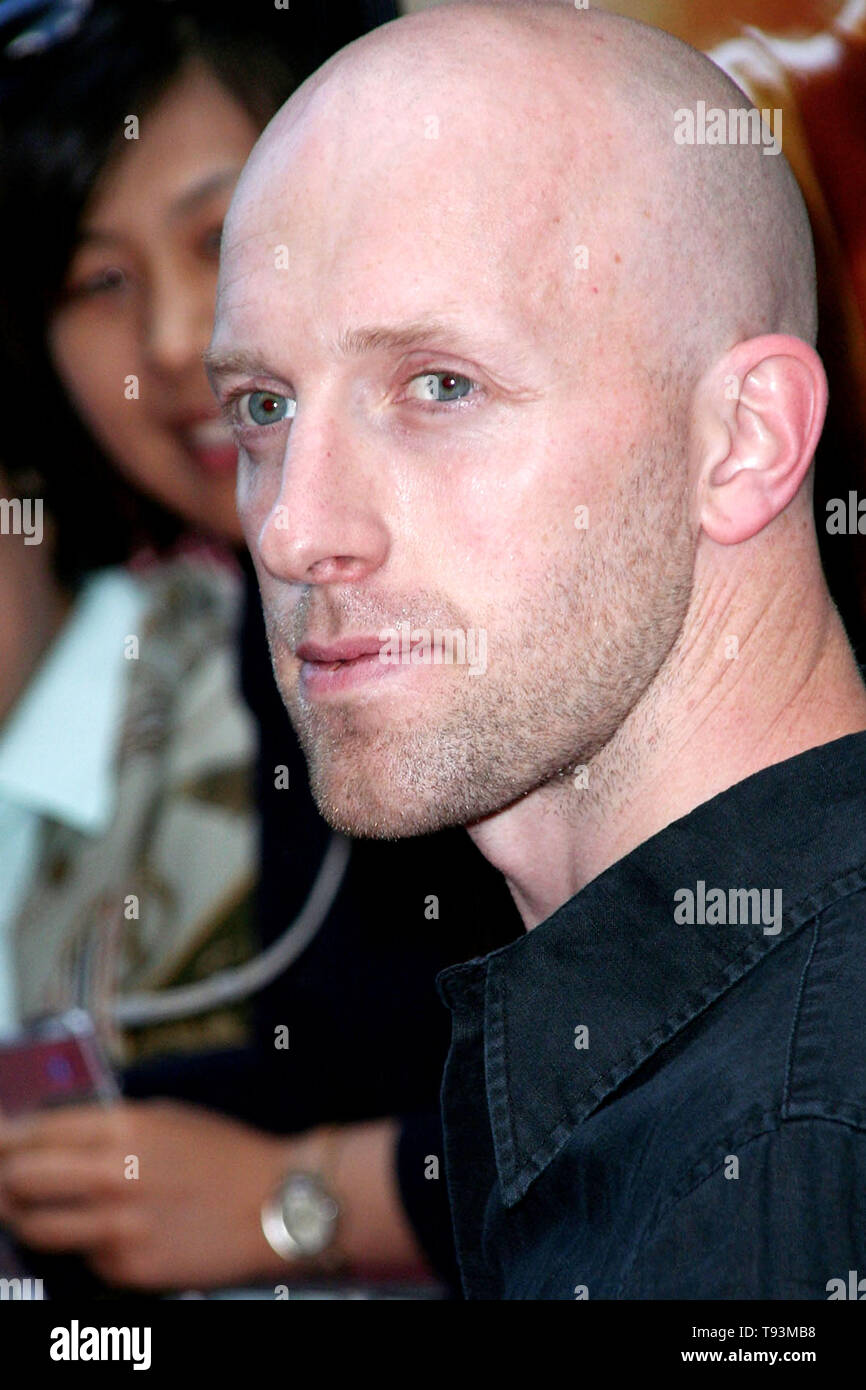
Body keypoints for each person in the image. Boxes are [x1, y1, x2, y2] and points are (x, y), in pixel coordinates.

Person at [208, 0, 866, 1299]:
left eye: (439, 387)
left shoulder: (777, 1170)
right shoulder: (684, 1062)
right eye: (263, 408)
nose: (293, 529)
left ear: (742, 441)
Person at [0, 2, 522, 1296]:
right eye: (98, 282)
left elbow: (680, 1093)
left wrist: (297, 1204)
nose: (176, 342)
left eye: (222, 240)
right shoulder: (252, 618)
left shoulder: (508, 586)